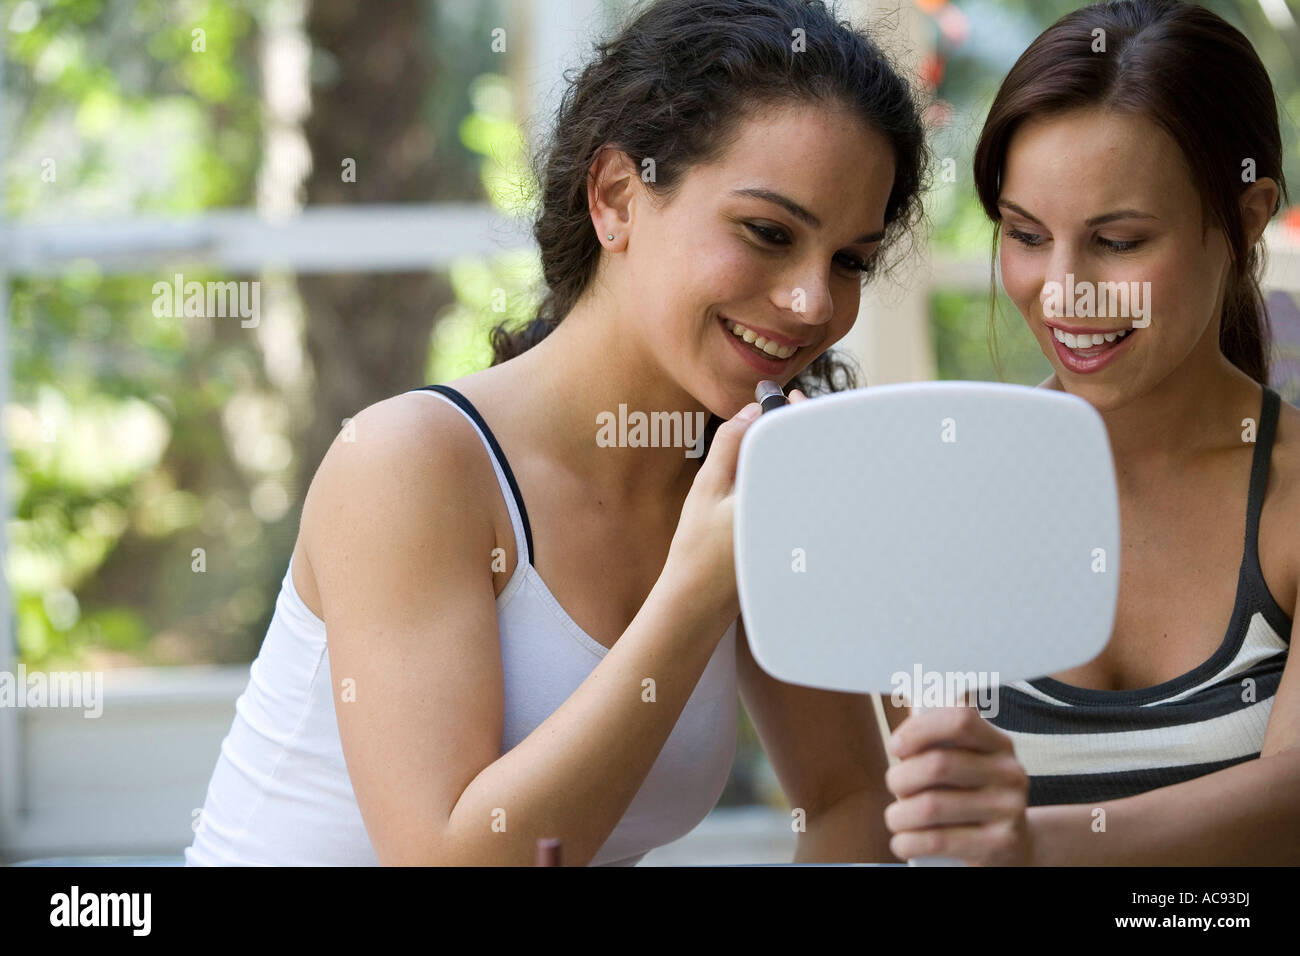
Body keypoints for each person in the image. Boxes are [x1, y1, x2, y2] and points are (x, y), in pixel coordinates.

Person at [185, 0, 927, 866]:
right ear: (616, 198)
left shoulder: (755, 474)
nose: (812, 303)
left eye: (849, 262)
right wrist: (695, 591)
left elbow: (851, 802)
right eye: (768, 233)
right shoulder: (408, 465)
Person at [882, 0, 1300, 865]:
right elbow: (888, 813)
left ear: (1248, 218)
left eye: (1116, 241)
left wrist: (1032, 844)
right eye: (1027, 235)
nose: (1064, 291)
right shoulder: (940, 495)